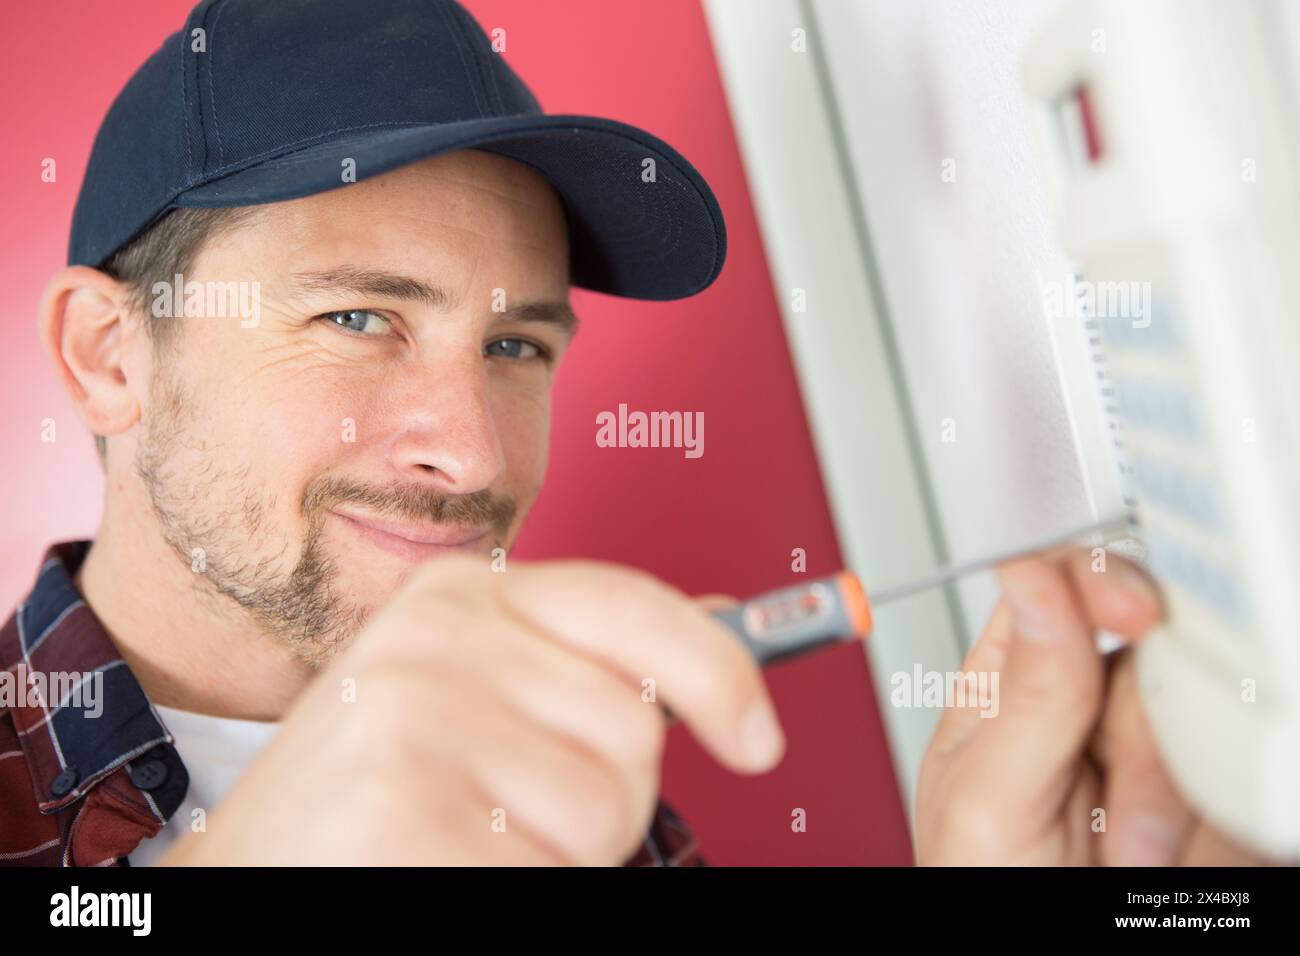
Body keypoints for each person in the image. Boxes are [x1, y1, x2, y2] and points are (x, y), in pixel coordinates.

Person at [1, 0, 1267, 867]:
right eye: (356, 317)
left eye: (515, 347)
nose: (476, 454)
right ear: (109, 356)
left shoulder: (583, 806)